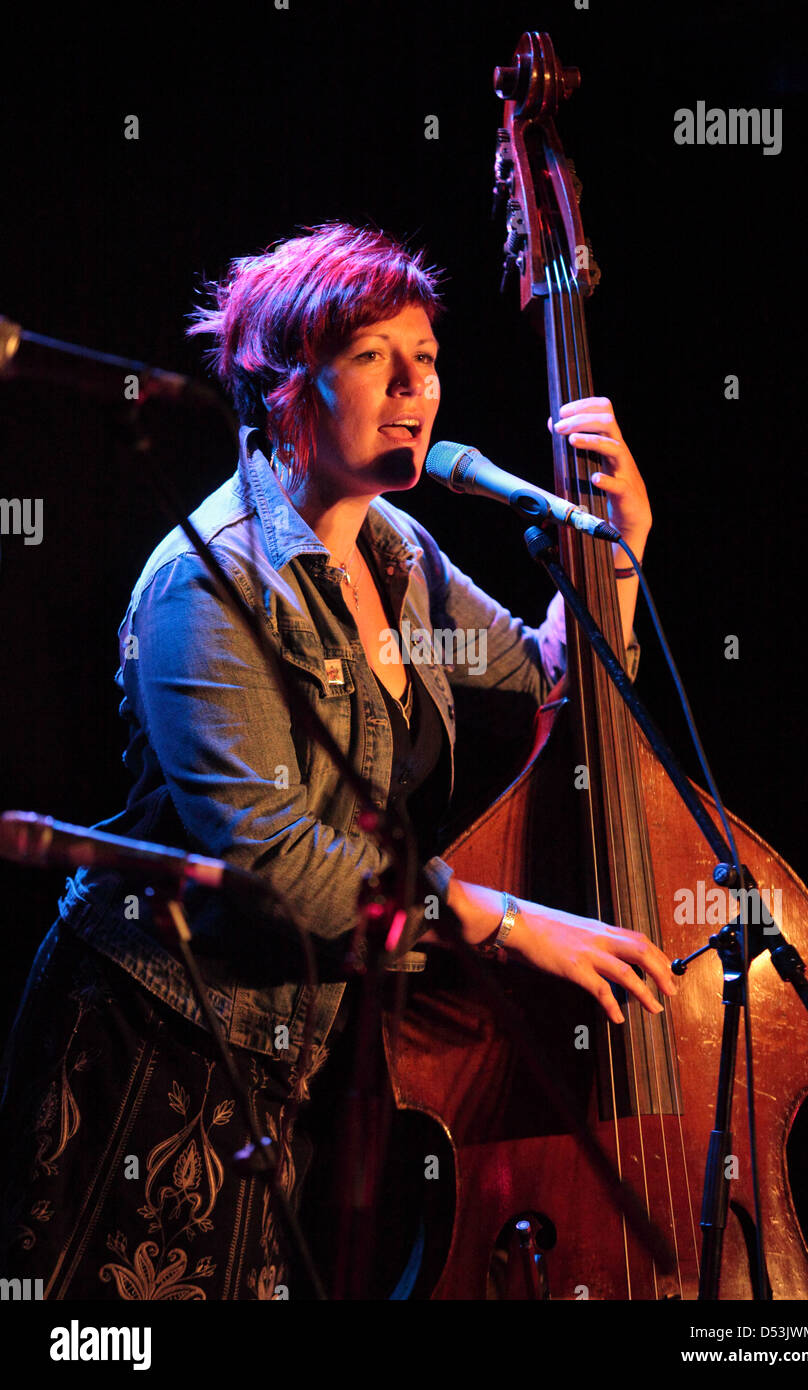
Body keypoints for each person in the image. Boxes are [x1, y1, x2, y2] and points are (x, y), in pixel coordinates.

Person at [0, 222, 676, 1300]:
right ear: (283, 388)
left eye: (428, 357)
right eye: (373, 358)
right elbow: (280, 861)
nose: (417, 386)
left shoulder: (401, 554)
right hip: (155, 1040)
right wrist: (506, 921)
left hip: (298, 1063)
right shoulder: (206, 585)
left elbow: (551, 681)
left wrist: (616, 550)